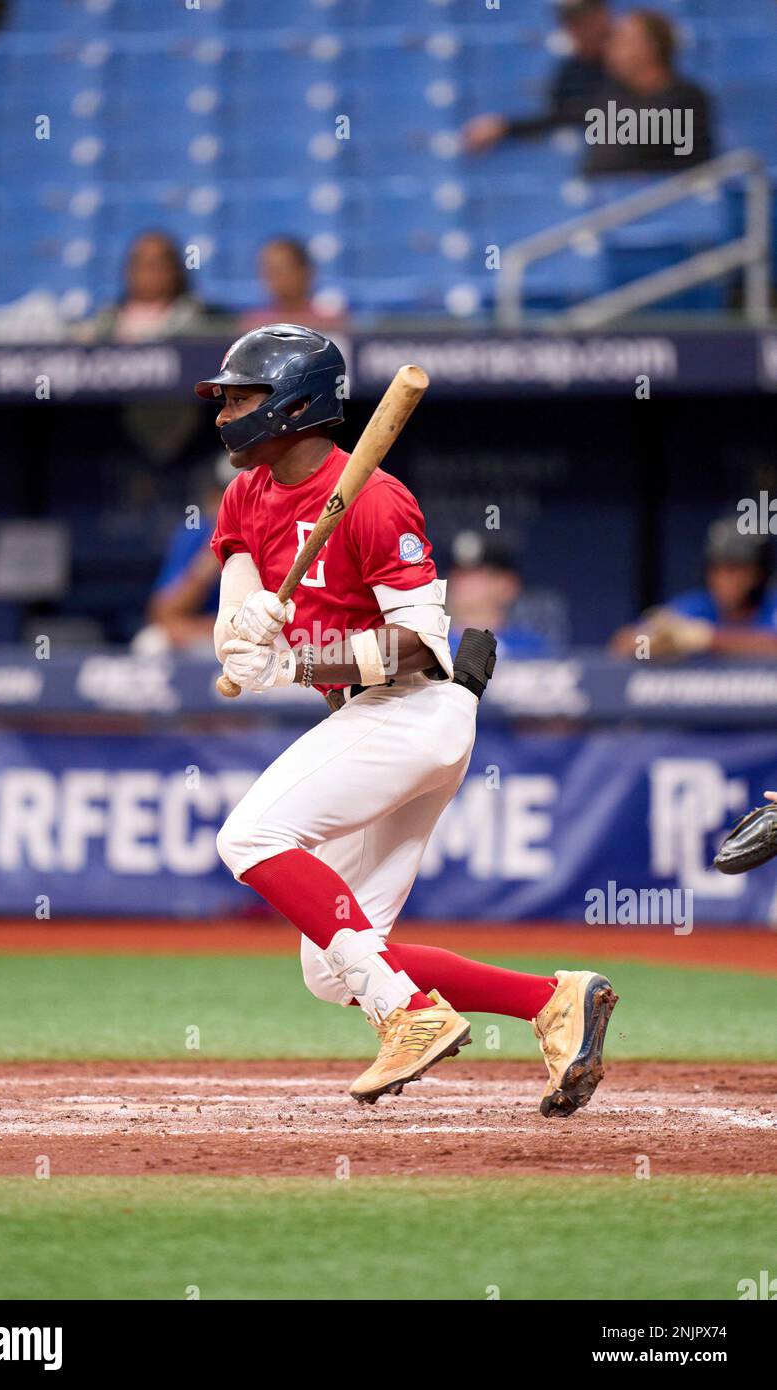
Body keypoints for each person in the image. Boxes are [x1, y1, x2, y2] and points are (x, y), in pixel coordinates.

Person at [197, 322, 617, 1113]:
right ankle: (554, 1000)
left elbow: (421, 647)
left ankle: (407, 1013)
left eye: (242, 397)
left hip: (417, 711)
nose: (225, 413)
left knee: (248, 836)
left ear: (292, 404)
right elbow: (236, 623)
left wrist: (290, 663)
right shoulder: (243, 497)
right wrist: (242, 643)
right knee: (333, 967)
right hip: (368, 720)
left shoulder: (377, 498)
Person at [610, 517, 777, 660]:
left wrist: (707, 640)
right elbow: (623, 645)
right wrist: (651, 644)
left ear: (759, 574)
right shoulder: (698, 605)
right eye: (716, 569)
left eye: (735, 569)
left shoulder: (772, 605)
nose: (724, 579)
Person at [461, 0, 612, 155]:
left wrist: (507, 127)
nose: (579, 28)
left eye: (585, 19)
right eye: (571, 21)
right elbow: (559, 119)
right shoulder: (571, 71)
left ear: (602, 16)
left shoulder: (627, 62)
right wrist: (504, 127)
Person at [583, 8, 712, 175]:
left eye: (622, 42)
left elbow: (621, 159)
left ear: (650, 48)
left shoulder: (687, 99)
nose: (610, 50)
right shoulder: (615, 96)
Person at [137, 460, 229, 652]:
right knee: (151, 642)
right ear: (210, 500)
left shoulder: (270, 532)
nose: (234, 503)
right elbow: (162, 613)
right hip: (207, 635)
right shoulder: (194, 534)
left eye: (243, 494)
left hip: (256, 640)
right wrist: (210, 559)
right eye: (225, 495)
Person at [76, 231, 210, 343]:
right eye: (139, 263)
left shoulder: (197, 318)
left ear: (174, 271)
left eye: (155, 264)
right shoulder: (107, 320)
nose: (147, 272)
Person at [447, 533, 553, 656]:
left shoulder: (532, 647)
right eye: (458, 573)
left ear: (508, 585)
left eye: (478, 575)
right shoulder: (429, 648)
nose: (462, 583)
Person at [239, 237, 346, 333]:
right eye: (268, 269)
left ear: (305, 271)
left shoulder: (330, 323)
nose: (273, 277)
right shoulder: (254, 326)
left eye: (281, 269)